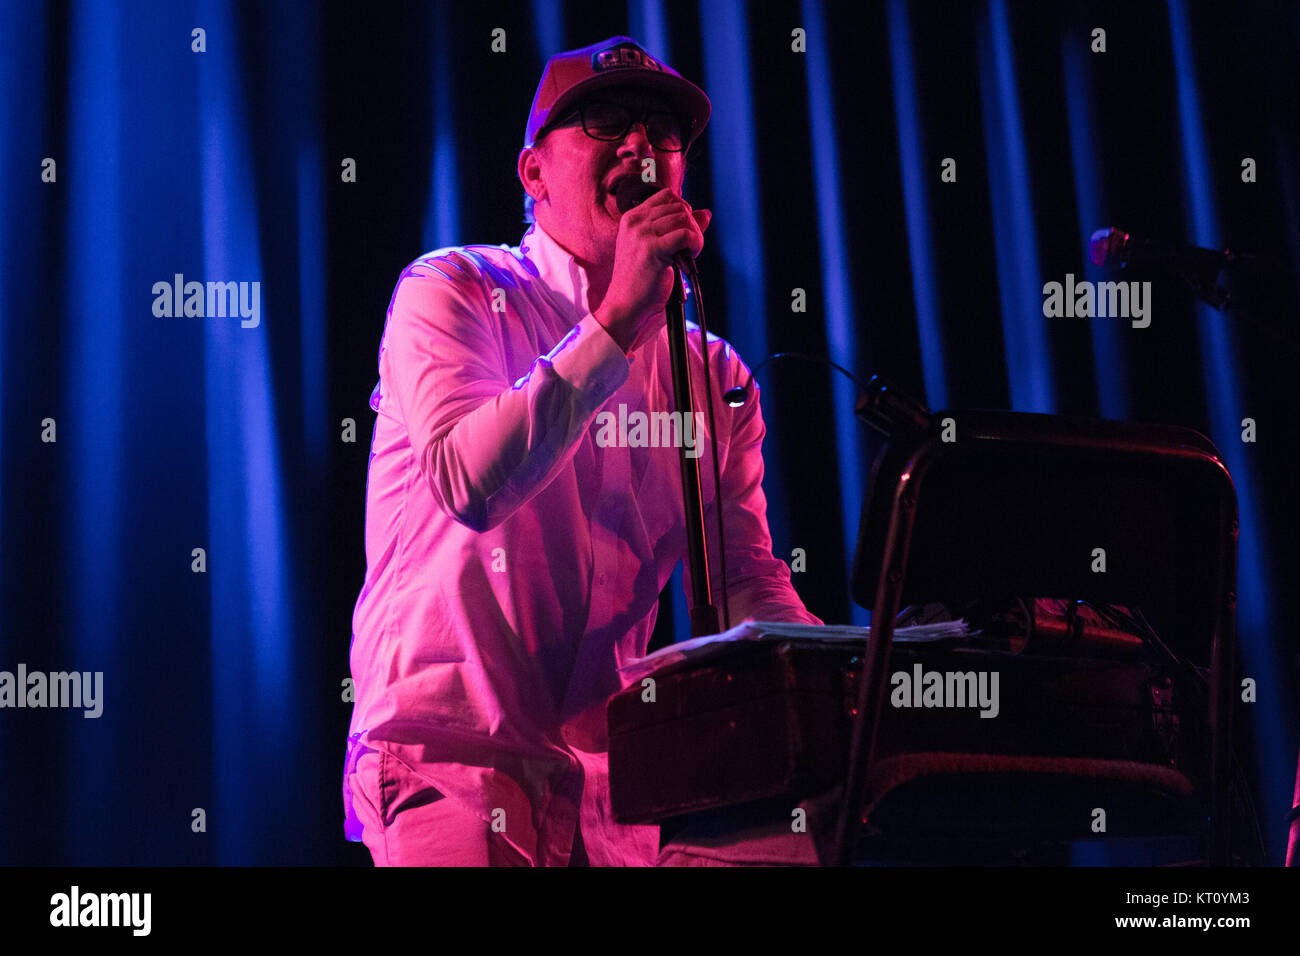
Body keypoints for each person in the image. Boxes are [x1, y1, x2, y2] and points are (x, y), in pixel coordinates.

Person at [342, 36, 822, 867]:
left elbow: (746, 579)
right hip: (452, 759)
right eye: (606, 121)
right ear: (533, 175)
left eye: (663, 133)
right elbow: (468, 480)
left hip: (617, 792)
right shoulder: (454, 293)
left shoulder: (713, 376)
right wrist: (617, 322)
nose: (640, 145)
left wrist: (849, 675)